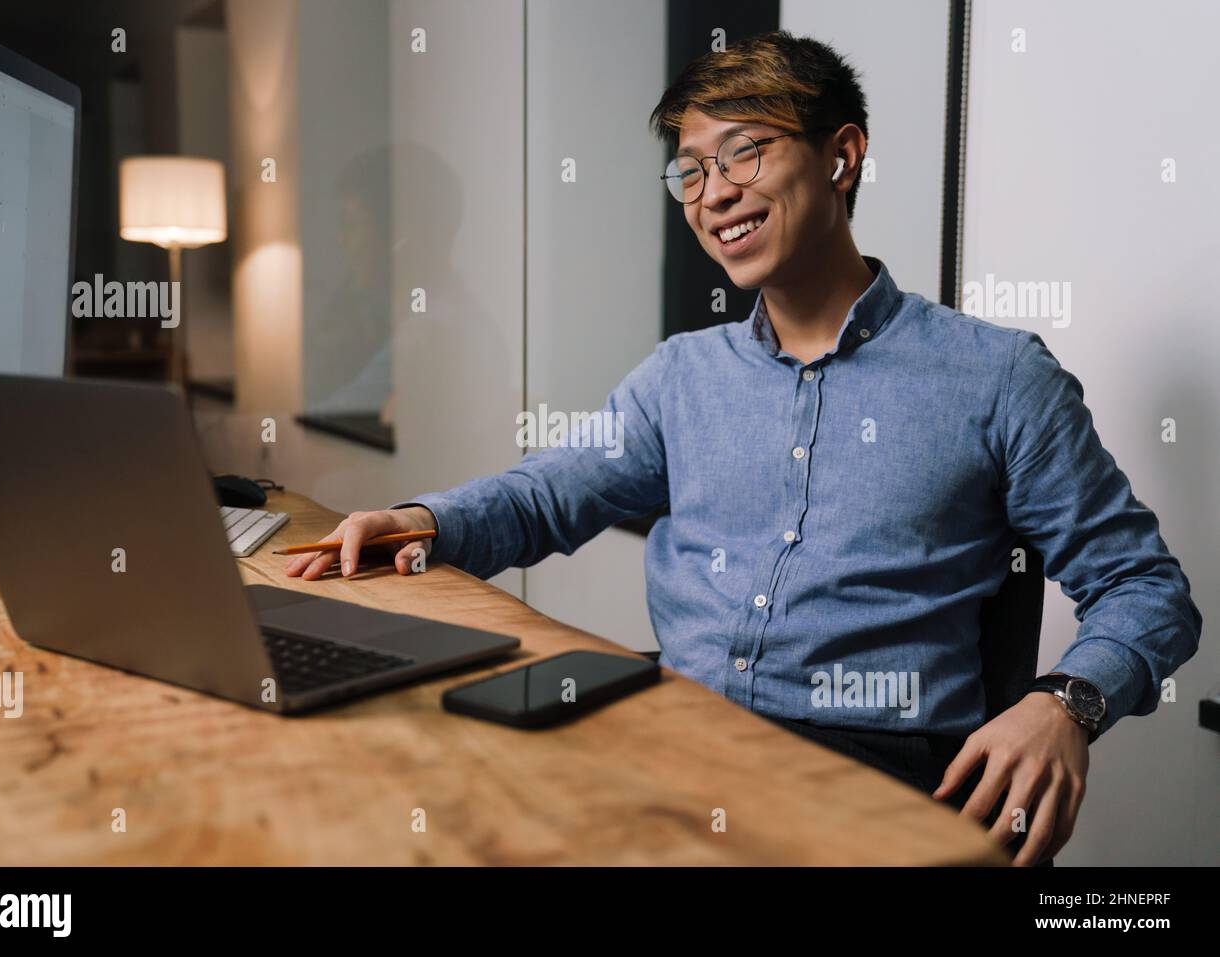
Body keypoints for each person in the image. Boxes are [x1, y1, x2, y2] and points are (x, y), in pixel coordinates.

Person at [286, 31, 1201, 866]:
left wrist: (1065, 704)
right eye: (689, 170)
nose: (712, 192)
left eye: (744, 153)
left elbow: (1147, 587)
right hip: (673, 738)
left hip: (869, 773)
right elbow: (544, 496)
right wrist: (420, 519)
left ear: (843, 157)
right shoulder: (681, 375)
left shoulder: (997, 377)